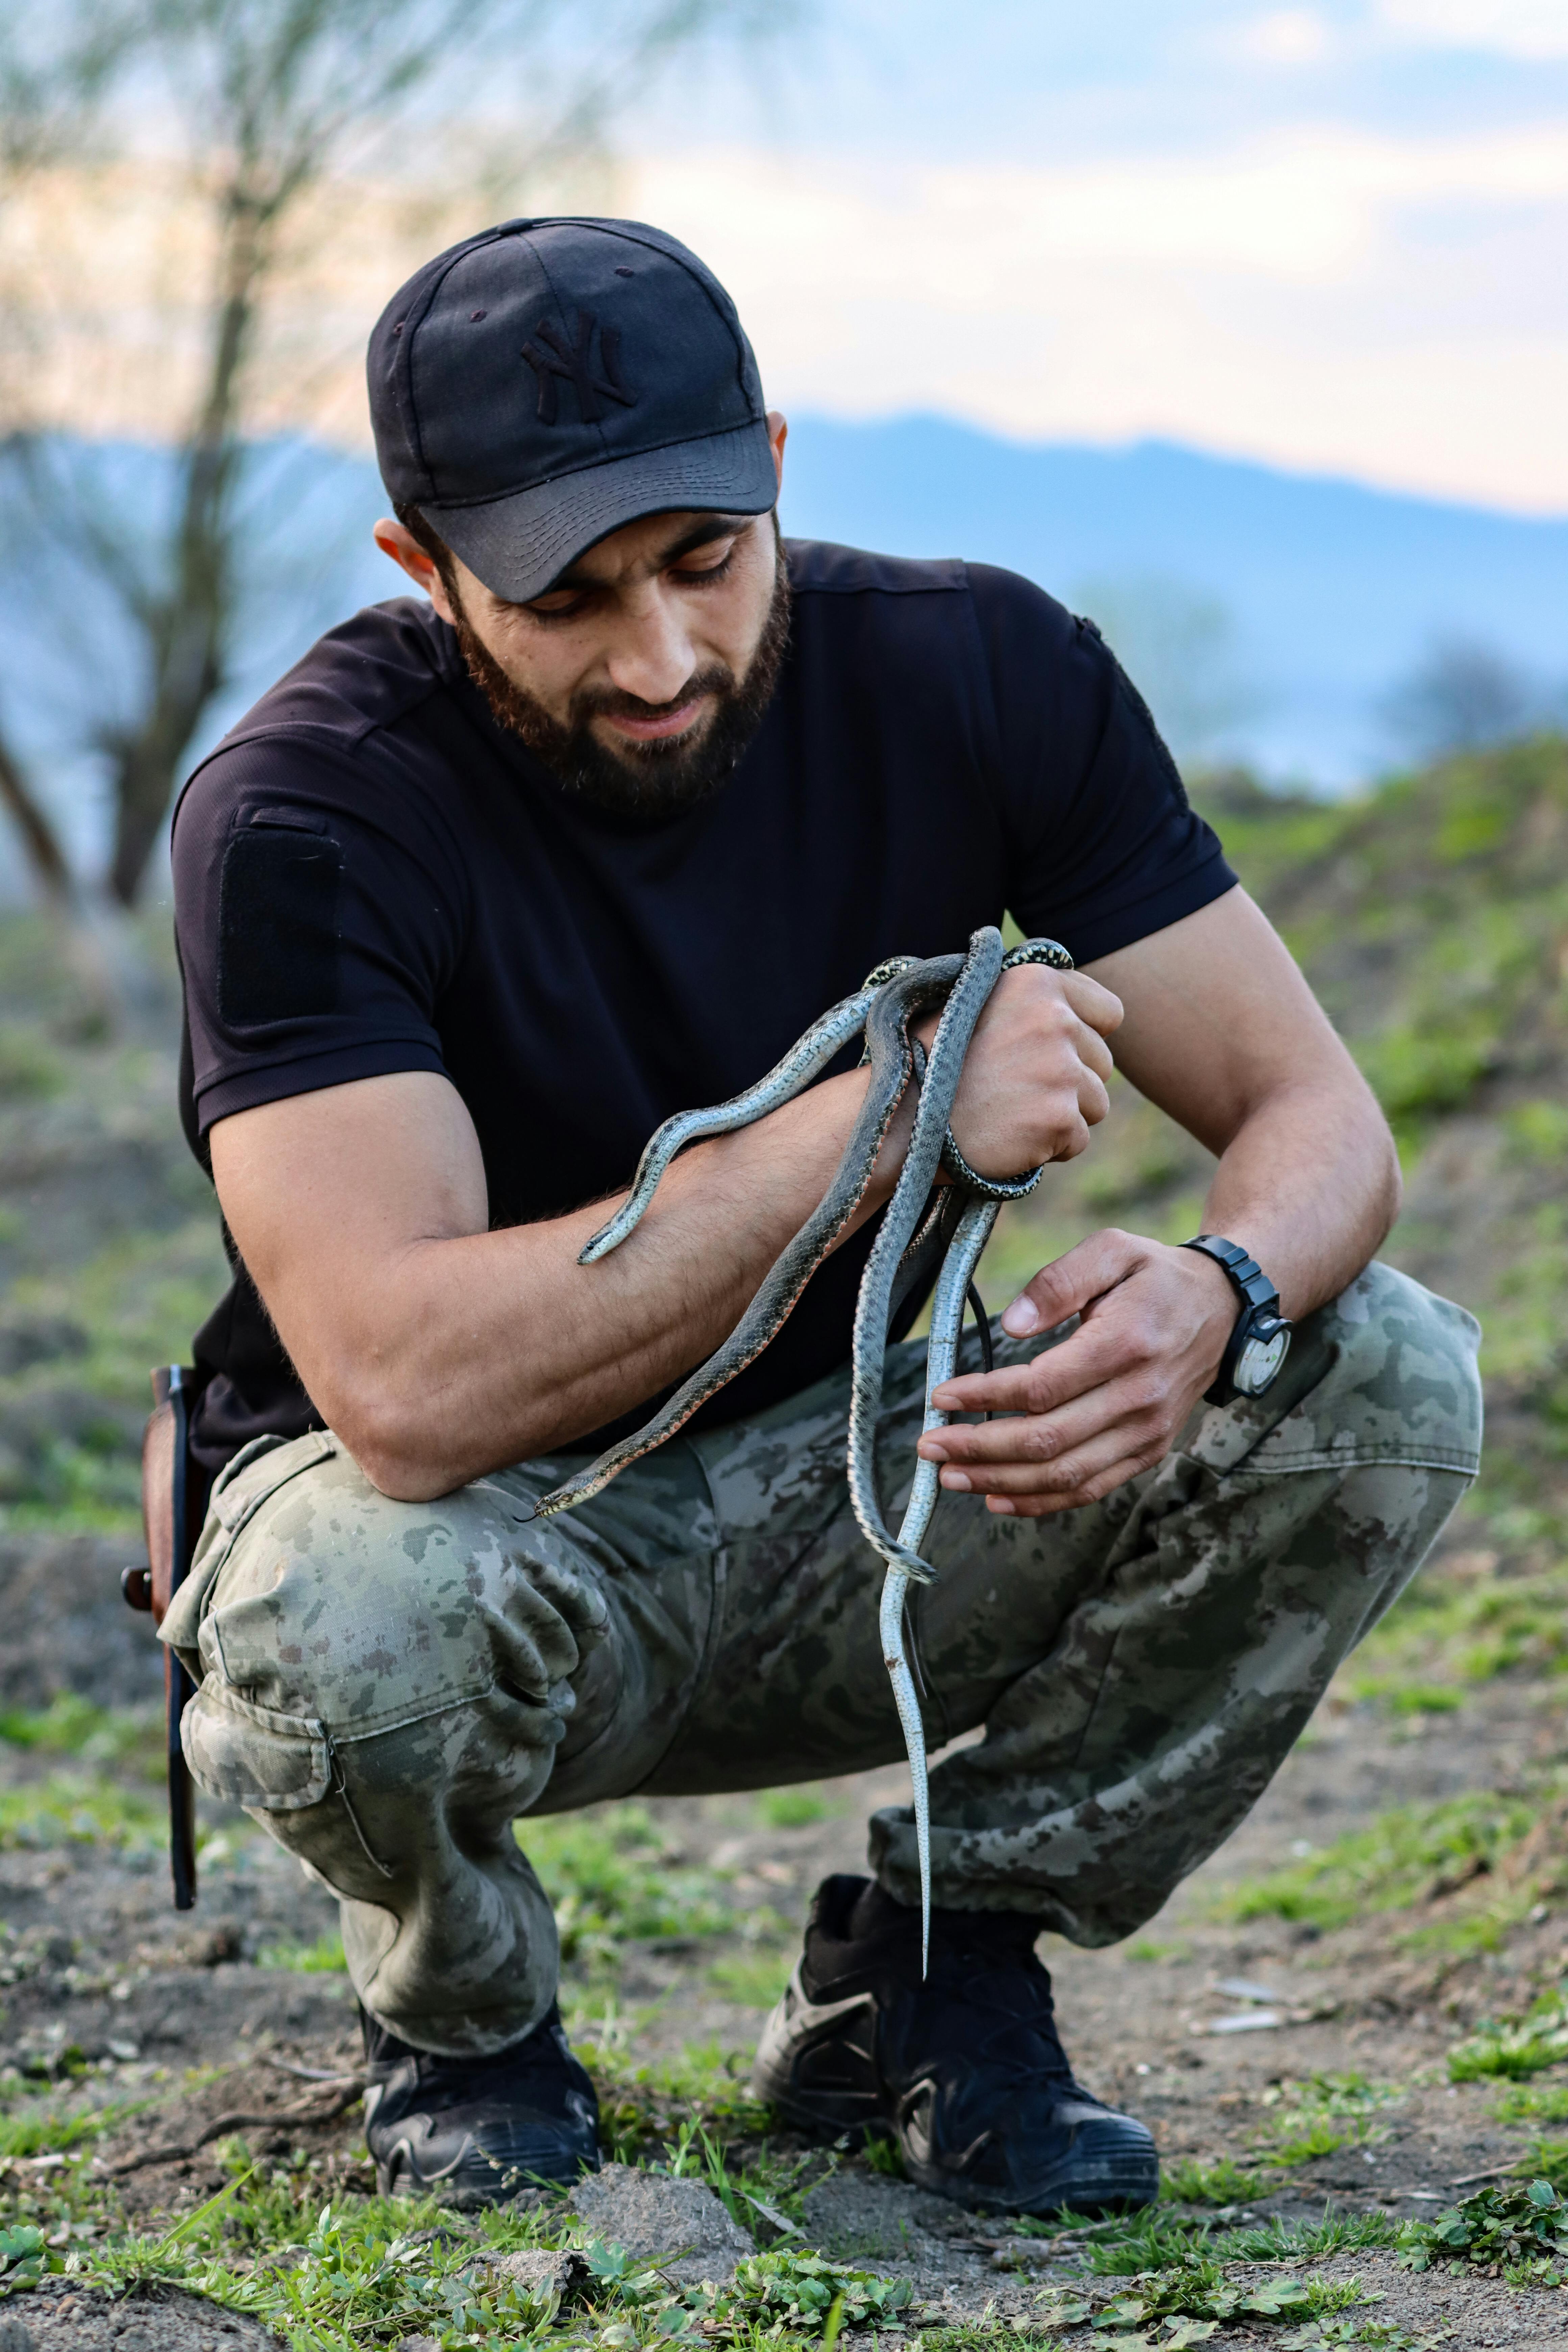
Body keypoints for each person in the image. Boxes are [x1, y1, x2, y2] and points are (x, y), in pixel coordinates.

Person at [162, 217, 1482, 2218]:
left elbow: (1323, 1127)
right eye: (566, 599)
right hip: (483, 1542)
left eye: (706, 558)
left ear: (775, 466)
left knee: (1372, 1366)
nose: (659, 659)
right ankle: (465, 2018)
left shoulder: (987, 671)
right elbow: (407, 1392)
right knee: (339, 1605)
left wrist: (1219, 1292)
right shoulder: (300, 812)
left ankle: (936, 1967)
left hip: (861, 1495)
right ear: (421, 568)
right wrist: (890, 1119)